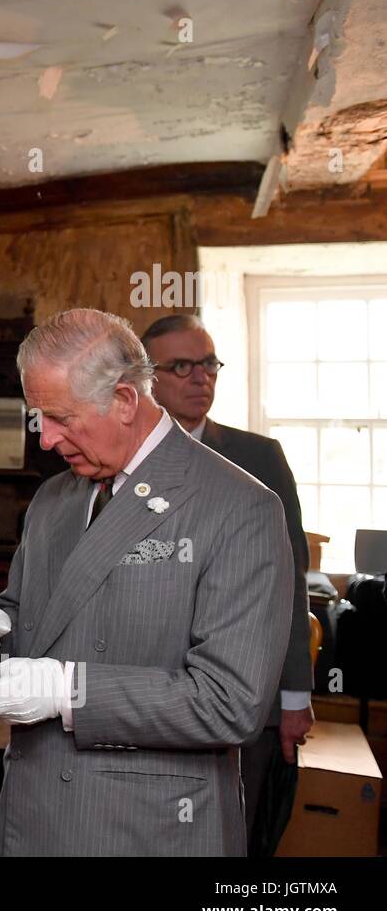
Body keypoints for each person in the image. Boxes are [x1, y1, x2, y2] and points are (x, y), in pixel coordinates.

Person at [0, 308, 290, 855]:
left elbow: (230, 703)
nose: (47, 439)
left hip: (146, 828)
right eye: (38, 418)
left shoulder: (238, 506)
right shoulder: (54, 500)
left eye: (59, 417)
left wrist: (69, 691)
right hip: (33, 820)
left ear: (125, 401)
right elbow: (32, 624)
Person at [141, 313, 312, 855]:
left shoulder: (259, 457)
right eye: (183, 366)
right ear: (146, 380)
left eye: (209, 363)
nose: (202, 379)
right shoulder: (112, 463)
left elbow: (293, 580)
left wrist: (294, 696)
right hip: (148, 695)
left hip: (245, 697)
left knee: (238, 838)